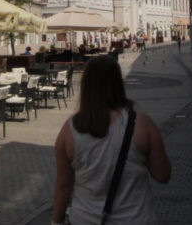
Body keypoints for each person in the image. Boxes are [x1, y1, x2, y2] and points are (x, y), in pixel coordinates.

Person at [52, 55, 171, 225]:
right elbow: (163, 175)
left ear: (86, 86)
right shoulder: (142, 124)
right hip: (136, 218)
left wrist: (56, 222)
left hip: (85, 219)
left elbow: (63, 185)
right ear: (118, 83)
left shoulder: (69, 130)